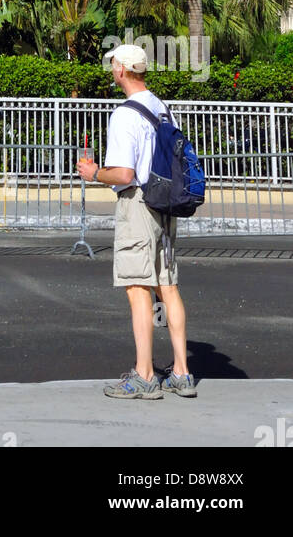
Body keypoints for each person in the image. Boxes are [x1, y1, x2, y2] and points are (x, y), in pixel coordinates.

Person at [76, 43, 197, 399]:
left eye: (113, 64)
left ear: (122, 70)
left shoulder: (124, 114)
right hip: (166, 204)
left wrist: (95, 172)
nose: (112, 69)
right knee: (168, 287)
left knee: (137, 287)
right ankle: (182, 372)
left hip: (139, 205)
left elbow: (125, 172)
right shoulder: (162, 108)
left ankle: (144, 375)